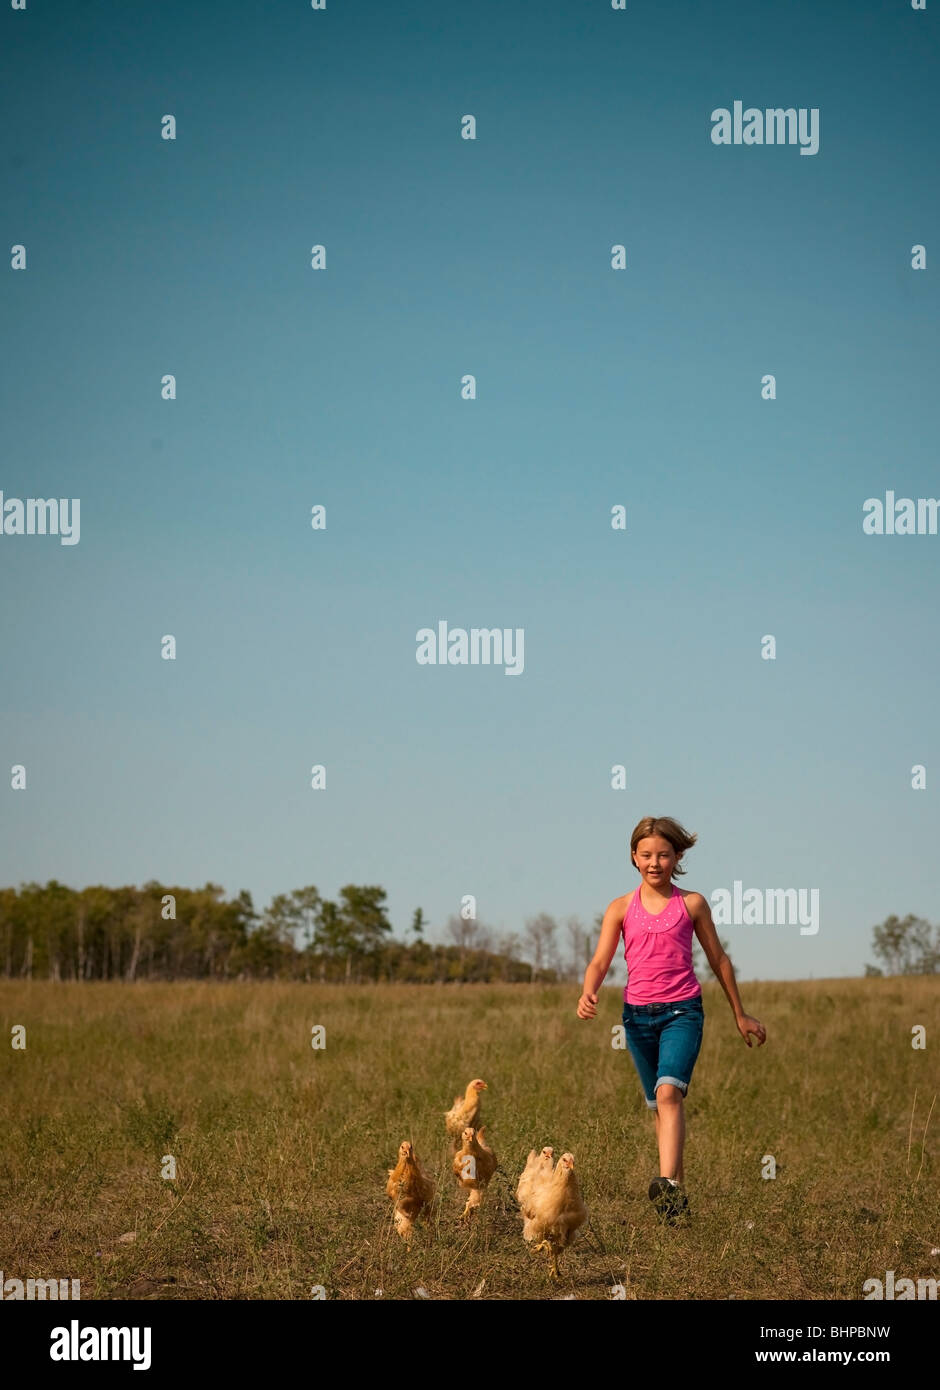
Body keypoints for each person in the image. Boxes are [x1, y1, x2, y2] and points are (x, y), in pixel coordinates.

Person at [577, 815, 766, 1222]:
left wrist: (740, 1013)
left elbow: (718, 959)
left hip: (682, 1012)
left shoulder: (691, 904)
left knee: (668, 1095)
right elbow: (599, 961)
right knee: (661, 1108)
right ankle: (676, 1204)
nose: (654, 863)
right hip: (636, 1019)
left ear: (678, 856)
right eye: (646, 855)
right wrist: (589, 990)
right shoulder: (620, 908)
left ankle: (667, 1186)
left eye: (663, 855)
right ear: (634, 856)